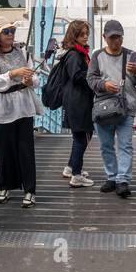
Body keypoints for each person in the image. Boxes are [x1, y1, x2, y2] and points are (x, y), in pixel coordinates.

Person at [86, 19, 136, 197]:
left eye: (119, 37)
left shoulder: (131, 56)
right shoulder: (97, 56)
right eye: (112, 37)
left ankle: (123, 179)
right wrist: (104, 85)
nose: (116, 41)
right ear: (104, 37)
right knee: (106, 145)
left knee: (125, 145)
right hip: (104, 107)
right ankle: (112, 176)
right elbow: (90, 79)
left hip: (126, 107)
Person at [0, 17, 43, 207]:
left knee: (26, 148)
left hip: (23, 104)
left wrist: (28, 81)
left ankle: (30, 190)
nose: (10, 34)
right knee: (4, 148)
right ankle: (5, 186)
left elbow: (35, 78)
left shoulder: (23, 52)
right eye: (6, 32)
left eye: (11, 30)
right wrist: (13, 74)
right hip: (2, 107)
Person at [54, 19, 95, 188]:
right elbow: (77, 76)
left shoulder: (76, 52)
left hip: (76, 100)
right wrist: (94, 77)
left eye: (87, 34)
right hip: (79, 101)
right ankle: (76, 175)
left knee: (80, 136)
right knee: (83, 136)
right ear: (74, 35)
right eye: (82, 34)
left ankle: (71, 167)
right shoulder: (74, 54)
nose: (86, 37)